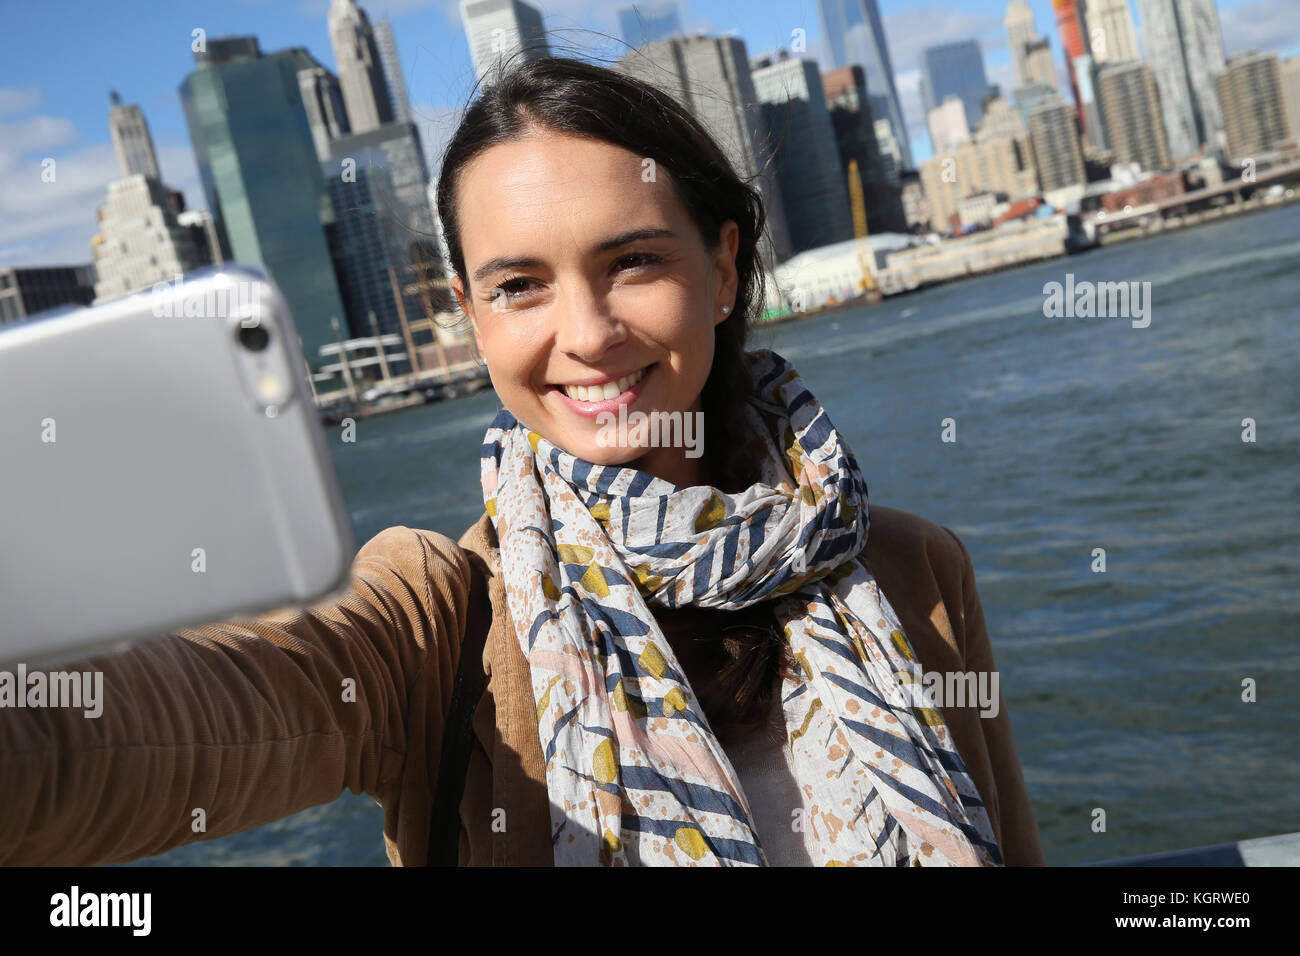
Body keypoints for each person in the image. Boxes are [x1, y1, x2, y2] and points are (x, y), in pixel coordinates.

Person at [0, 55, 1044, 867]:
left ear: (722, 266)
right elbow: (188, 718)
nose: (585, 333)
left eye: (632, 260)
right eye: (519, 285)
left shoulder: (909, 568)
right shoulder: (438, 617)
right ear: (469, 314)